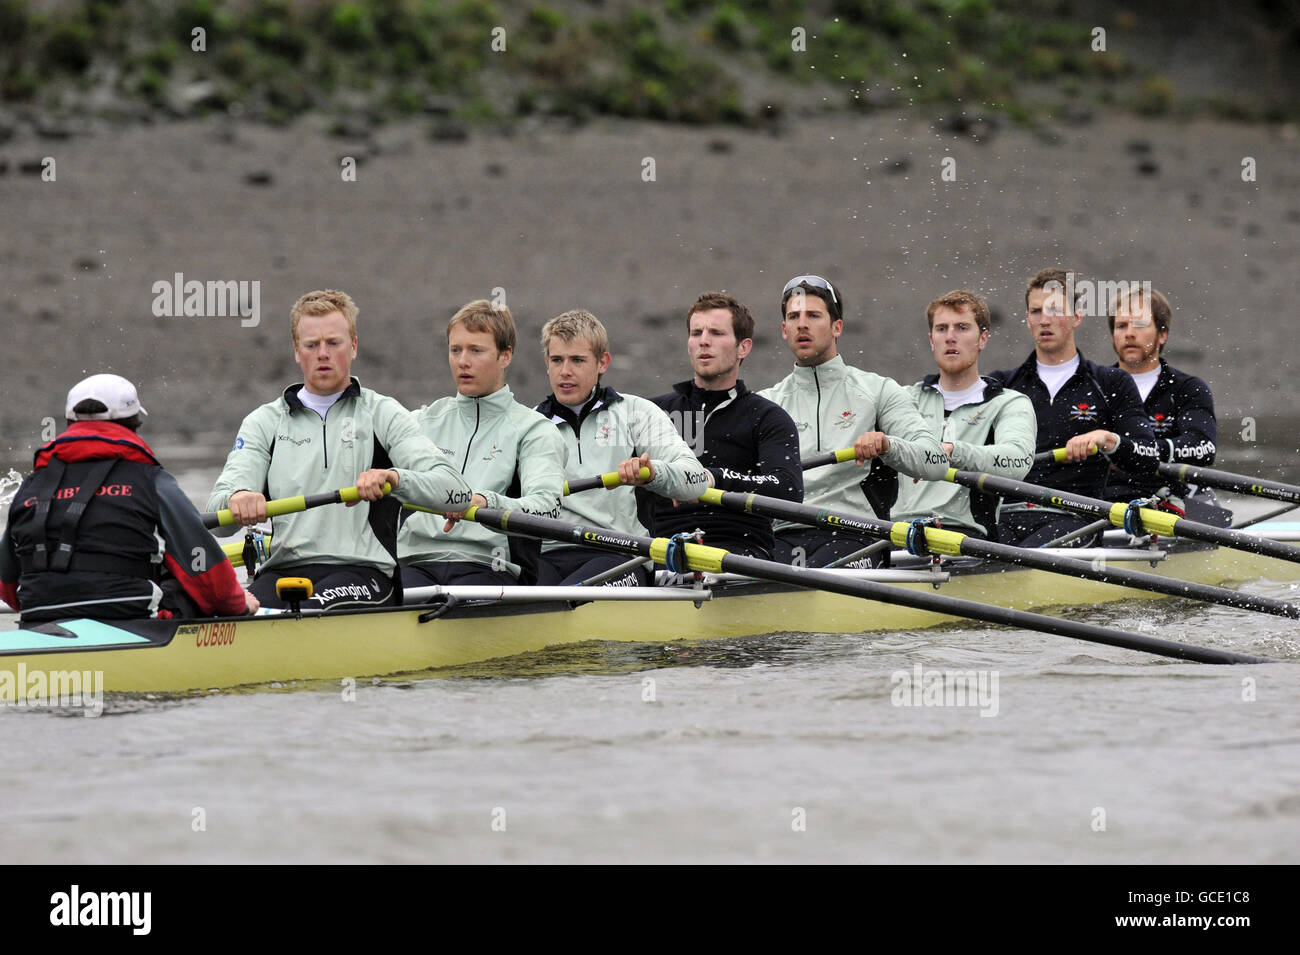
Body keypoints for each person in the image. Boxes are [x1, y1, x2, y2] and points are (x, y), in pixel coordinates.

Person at [207, 289, 474, 610]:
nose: (323, 353)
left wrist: (396, 479)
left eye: (333, 343)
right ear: (296, 351)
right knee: (221, 608)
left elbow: (456, 492)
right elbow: (218, 522)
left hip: (364, 572)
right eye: (311, 345)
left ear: (354, 347)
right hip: (282, 571)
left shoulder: (383, 414)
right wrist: (237, 499)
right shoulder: (264, 422)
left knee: (302, 611)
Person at [1, 374, 255, 622]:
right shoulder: (153, 481)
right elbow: (205, 569)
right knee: (183, 581)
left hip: (38, 615)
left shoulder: (31, 485)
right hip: (131, 618)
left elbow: (7, 585)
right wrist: (238, 604)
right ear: (134, 424)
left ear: (70, 424)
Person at [759, 275, 948, 567]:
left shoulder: (878, 391)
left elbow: (935, 461)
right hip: (783, 536)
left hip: (855, 534)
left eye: (813, 315)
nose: (802, 325)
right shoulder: (767, 404)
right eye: (793, 317)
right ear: (784, 330)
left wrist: (887, 445)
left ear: (837, 327)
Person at [534, 309, 711, 586]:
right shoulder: (531, 426)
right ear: (547, 362)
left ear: (602, 362)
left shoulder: (636, 413)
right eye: (557, 360)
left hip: (621, 554)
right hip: (547, 557)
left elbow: (696, 480)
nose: (565, 371)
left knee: (557, 603)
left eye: (578, 360)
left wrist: (653, 473)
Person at [397, 300, 566, 587]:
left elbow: (547, 508)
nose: (463, 361)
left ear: (505, 355)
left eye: (476, 350)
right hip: (415, 563)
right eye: (455, 350)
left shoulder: (534, 430)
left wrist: (485, 502)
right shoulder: (421, 421)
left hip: (491, 567)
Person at [991, 268, 1158, 547]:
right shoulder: (1001, 385)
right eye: (1036, 312)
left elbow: (1148, 456)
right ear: (1027, 319)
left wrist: (1107, 439)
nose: (1044, 320)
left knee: (1019, 559)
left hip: (1076, 519)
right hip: (1006, 516)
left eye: (1054, 310)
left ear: (1077, 316)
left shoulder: (1111, 382)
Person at [639, 292, 802, 558]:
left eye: (716, 333)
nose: (704, 341)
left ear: (743, 347)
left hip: (740, 551)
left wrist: (714, 478)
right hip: (663, 550)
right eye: (696, 333)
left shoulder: (768, 418)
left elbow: (788, 490)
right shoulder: (653, 413)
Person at [891, 291, 1036, 539]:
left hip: (965, 535)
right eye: (941, 329)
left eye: (961, 328)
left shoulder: (1009, 403)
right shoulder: (902, 398)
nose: (950, 337)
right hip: (897, 532)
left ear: (983, 339)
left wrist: (953, 451)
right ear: (931, 340)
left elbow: (1018, 462)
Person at [1105, 285, 1229, 525]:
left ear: (1163, 334)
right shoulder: (1095, 386)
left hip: (1168, 498)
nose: (1129, 333)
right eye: (1121, 326)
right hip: (1105, 501)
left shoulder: (1188, 389)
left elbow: (1203, 448)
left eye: (1139, 324)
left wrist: (1134, 452)